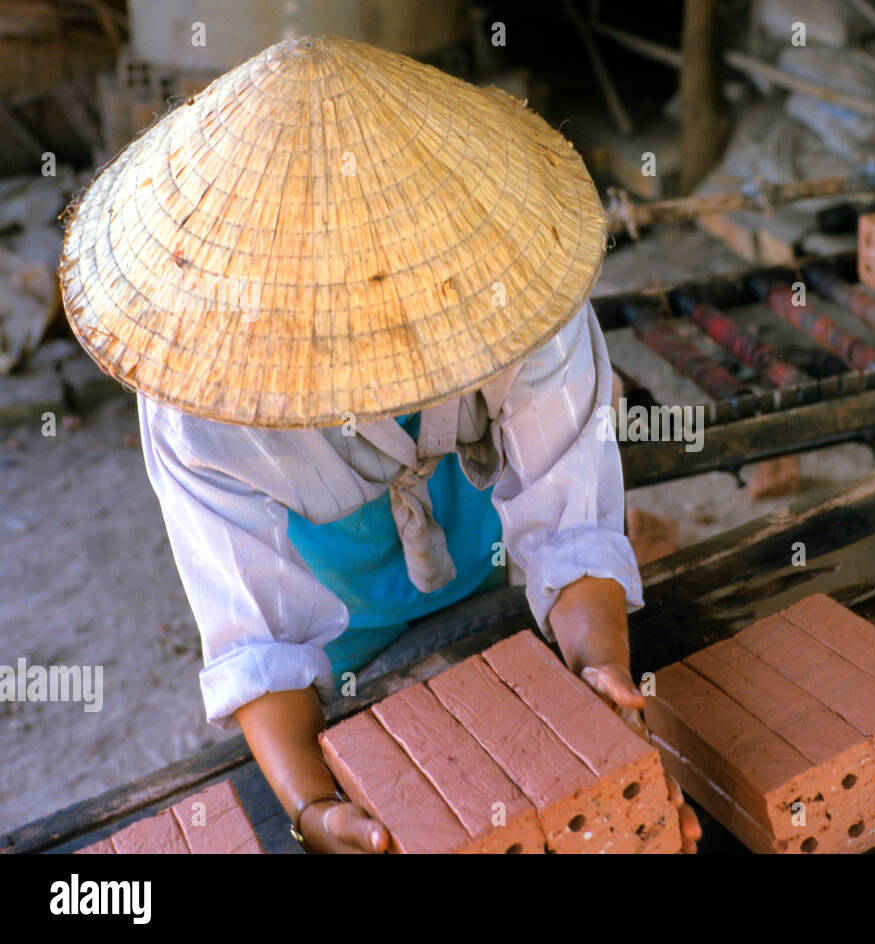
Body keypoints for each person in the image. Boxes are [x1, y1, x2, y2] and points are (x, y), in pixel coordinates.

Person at [59, 35, 701, 854]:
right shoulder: (202, 403)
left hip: (481, 555)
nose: (378, 371)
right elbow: (260, 642)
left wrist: (597, 668)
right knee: (394, 771)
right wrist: (315, 808)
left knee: (511, 745)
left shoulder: (520, 300)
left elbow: (569, 524)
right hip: (336, 620)